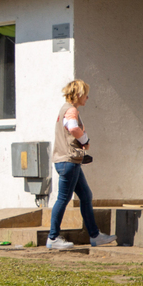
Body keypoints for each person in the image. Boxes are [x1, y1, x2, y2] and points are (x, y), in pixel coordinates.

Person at [47, 80, 116, 250]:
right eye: (85, 94)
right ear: (78, 95)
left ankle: (95, 236)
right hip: (68, 161)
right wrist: (85, 140)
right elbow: (72, 128)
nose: (87, 97)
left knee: (85, 196)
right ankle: (53, 237)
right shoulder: (71, 110)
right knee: (63, 199)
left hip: (68, 161)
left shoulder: (65, 109)